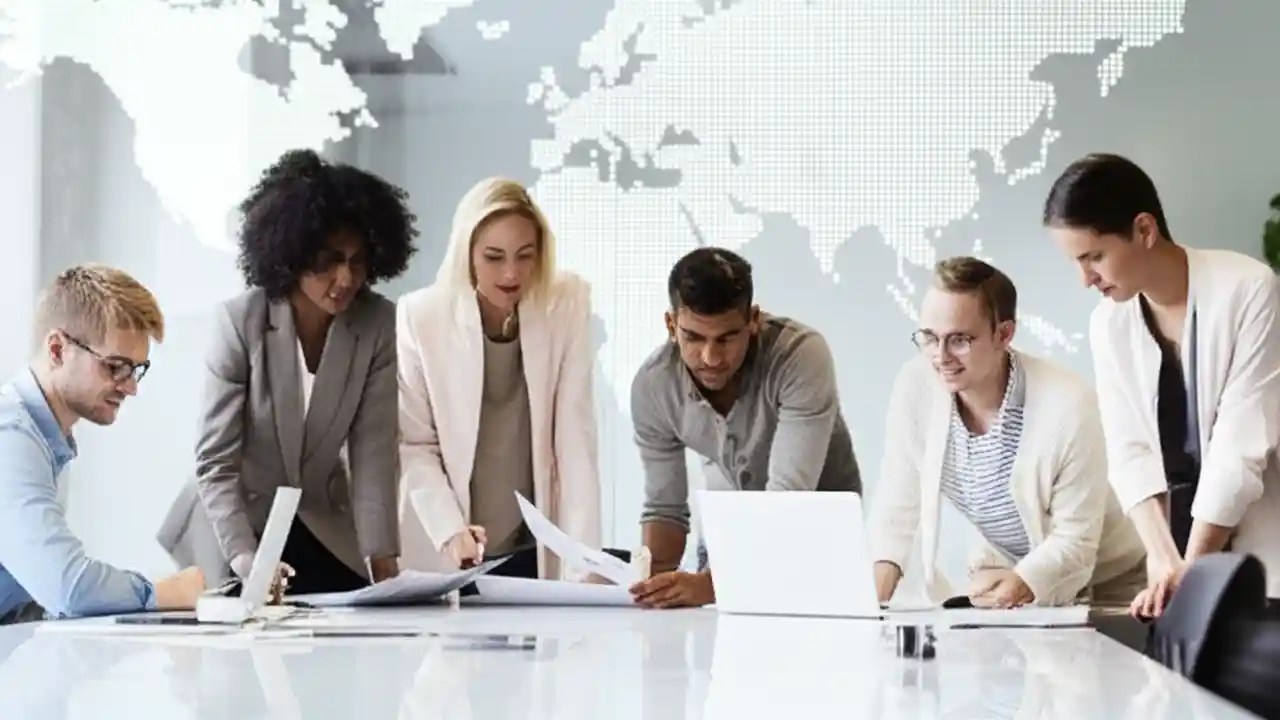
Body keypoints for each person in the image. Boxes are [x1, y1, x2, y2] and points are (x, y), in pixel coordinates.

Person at [157, 149, 418, 594]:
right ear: (292, 254)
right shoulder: (239, 322)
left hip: (320, 524)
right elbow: (216, 463)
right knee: (234, 654)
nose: (345, 277)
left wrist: (384, 564)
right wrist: (247, 560)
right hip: (233, 524)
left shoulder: (377, 324)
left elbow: (374, 455)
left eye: (357, 260)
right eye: (329, 259)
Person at [1045, 152, 1280, 619]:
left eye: (1094, 256)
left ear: (1145, 231)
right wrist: (1162, 556)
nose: (1085, 279)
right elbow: (1129, 450)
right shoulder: (1109, 323)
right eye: (1075, 261)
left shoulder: (1249, 289)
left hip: (1261, 553)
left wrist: (1193, 570)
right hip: (1179, 554)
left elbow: (1240, 445)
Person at [869, 257, 1146, 608]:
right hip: (1016, 573)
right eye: (929, 338)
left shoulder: (1069, 405)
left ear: (1004, 334)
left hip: (1114, 583)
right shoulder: (917, 385)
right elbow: (897, 505)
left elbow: (1075, 540)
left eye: (959, 340)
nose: (940, 357)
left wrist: (1021, 582)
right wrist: (873, 604)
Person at [628, 247, 861, 609]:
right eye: (693, 338)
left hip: (821, 555)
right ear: (671, 325)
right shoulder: (653, 386)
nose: (711, 358)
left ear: (753, 319)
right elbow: (665, 508)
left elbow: (788, 500)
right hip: (730, 558)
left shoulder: (800, 356)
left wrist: (712, 586)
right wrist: (650, 588)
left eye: (726, 338)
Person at [396, 177, 600, 580]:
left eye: (525, 256)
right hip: (453, 544)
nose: (511, 273)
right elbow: (414, 443)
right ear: (467, 253)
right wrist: (449, 531)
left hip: (532, 540)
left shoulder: (566, 303)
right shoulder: (421, 317)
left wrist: (585, 567)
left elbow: (575, 438)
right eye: (493, 257)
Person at [0, 265, 206, 623]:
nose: (130, 387)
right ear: (57, 349)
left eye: (136, 370)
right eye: (115, 367)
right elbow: (68, 585)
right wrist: (164, 592)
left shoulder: (43, 439)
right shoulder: (11, 436)